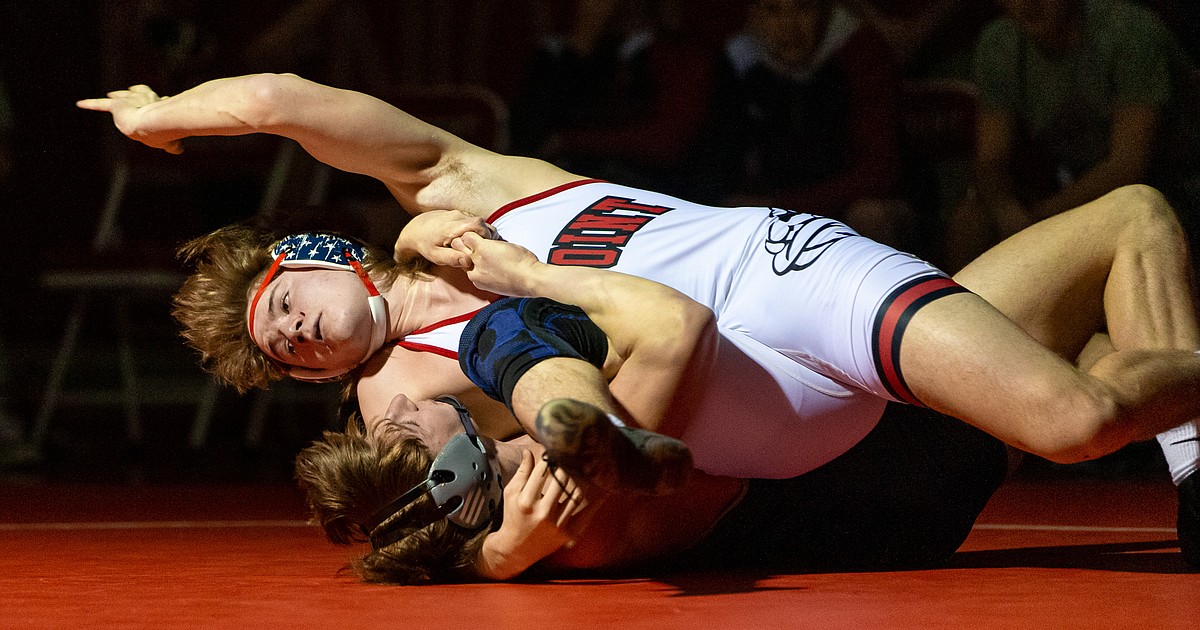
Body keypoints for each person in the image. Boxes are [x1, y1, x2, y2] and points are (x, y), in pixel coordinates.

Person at [78, 73, 1200, 563]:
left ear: (318, 252)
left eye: (285, 306)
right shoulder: (394, 395)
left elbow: (278, 105)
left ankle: (1185, 443)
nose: (297, 339)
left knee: (1074, 422)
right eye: (284, 356)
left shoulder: (461, 186)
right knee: (1127, 230)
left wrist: (159, 114)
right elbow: (446, 504)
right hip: (780, 424)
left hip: (787, 280)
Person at [942, 0, 1198, 271]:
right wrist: (1005, 209)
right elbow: (990, 158)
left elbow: (1128, 165)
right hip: (1075, 188)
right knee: (971, 221)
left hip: (1172, 187)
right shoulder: (1001, 43)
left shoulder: (1128, 33)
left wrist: (1038, 218)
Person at [711, 0, 912, 248]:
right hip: (780, 202)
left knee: (869, 215)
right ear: (753, 15)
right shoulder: (738, 60)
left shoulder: (860, 51)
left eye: (804, 8)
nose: (790, 27)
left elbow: (881, 171)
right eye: (773, 10)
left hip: (858, 202)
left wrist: (782, 204)